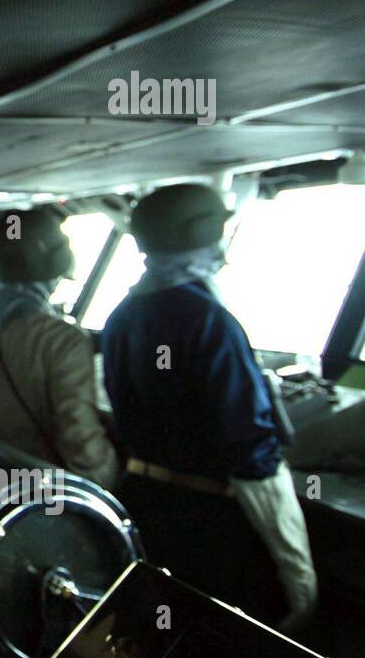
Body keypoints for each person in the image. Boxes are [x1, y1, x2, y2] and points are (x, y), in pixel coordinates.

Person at [100, 183, 317, 631]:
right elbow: (248, 444)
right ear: (203, 234)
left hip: (144, 502)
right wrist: (295, 563)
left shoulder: (122, 313)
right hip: (210, 522)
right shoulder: (209, 319)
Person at [0, 209, 119, 488]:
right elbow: (78, 434)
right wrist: (104, 482)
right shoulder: (63, 340)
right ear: (54, 264)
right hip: (37, 491)